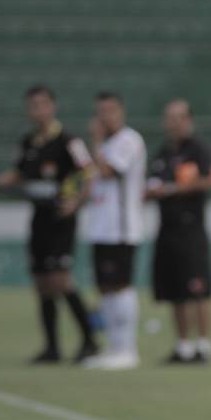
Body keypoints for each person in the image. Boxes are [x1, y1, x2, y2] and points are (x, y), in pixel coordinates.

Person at [0, 85, 98, 364]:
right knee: (42, 282)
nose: (37, 110)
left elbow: (90, 172)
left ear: (53, 106)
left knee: (61, 279)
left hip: (61, 218)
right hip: (39, 217)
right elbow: (18, 173)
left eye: (42, 104)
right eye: (32, 105)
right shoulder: (29, 142)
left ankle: (90, 340)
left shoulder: (68, 141)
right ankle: (52, 348)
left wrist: (77, 202)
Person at [146, 99, 211, 364]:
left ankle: (203, 346)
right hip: (167, 229)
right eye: (168, 117)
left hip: (191, 231)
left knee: (199, 289)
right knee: (175, 291)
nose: (171, 123)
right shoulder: (163, 152)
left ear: (188, 120)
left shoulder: (198, 149)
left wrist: (173, 189)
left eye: (177, 117)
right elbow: (152, 182)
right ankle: (183, 346)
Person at [83, 92, 146, 370]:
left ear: (121, 112)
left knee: (121, 285)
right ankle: (113, 346)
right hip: (100, 227)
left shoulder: (129, 140)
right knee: (105, 288)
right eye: (101, 111)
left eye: (110, 111)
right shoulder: (106, 145)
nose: (105, 117)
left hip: (121, 228)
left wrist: (96, 142)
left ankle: (127, 348)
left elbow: (109, 172)